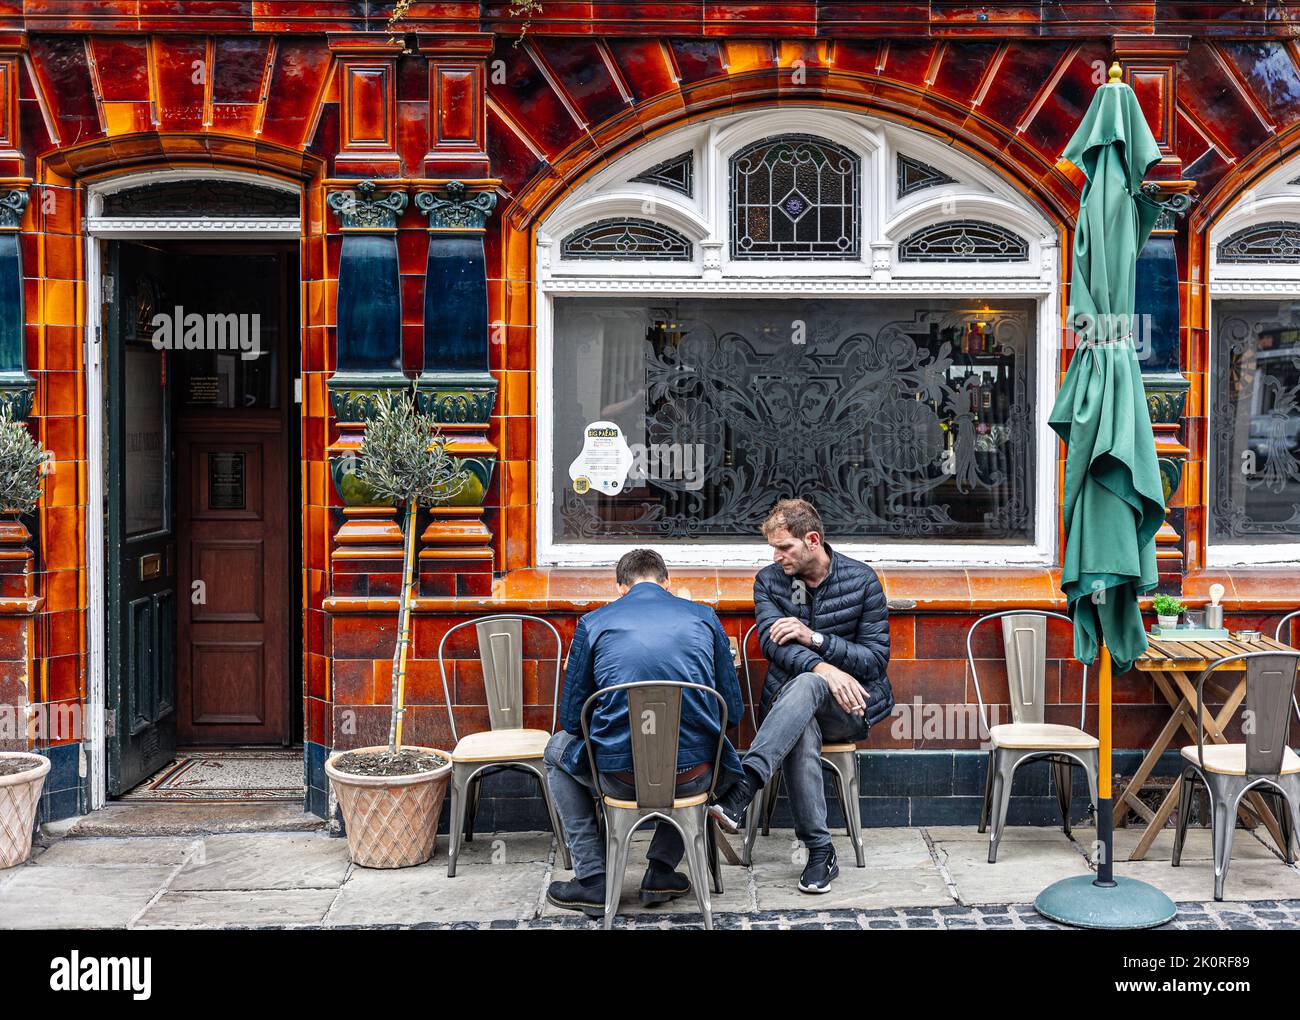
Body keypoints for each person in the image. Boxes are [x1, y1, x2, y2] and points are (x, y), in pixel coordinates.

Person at [544, 548, 745, 917]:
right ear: (667, 583)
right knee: (704, 748)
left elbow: (573, 720)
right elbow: (733, 710)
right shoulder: (705, 617)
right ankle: (661, 870)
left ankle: (592, 879)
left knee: (555, 748)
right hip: (693, 778)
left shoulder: (593, 623)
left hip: (619, 778)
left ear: (621, 588)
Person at [710, 498, 893, 893]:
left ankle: (744, 785)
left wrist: (816, 639)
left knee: (809, 687)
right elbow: (775, 646)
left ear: (812, 540)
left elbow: (876, 660)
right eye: (772, 548)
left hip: (852, 705)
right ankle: (820, 851)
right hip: (793, 707)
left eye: (784, 547)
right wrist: (825, 670)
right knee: (804, 713)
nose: (776, 557)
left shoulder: (862, 581)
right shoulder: (770, 582)